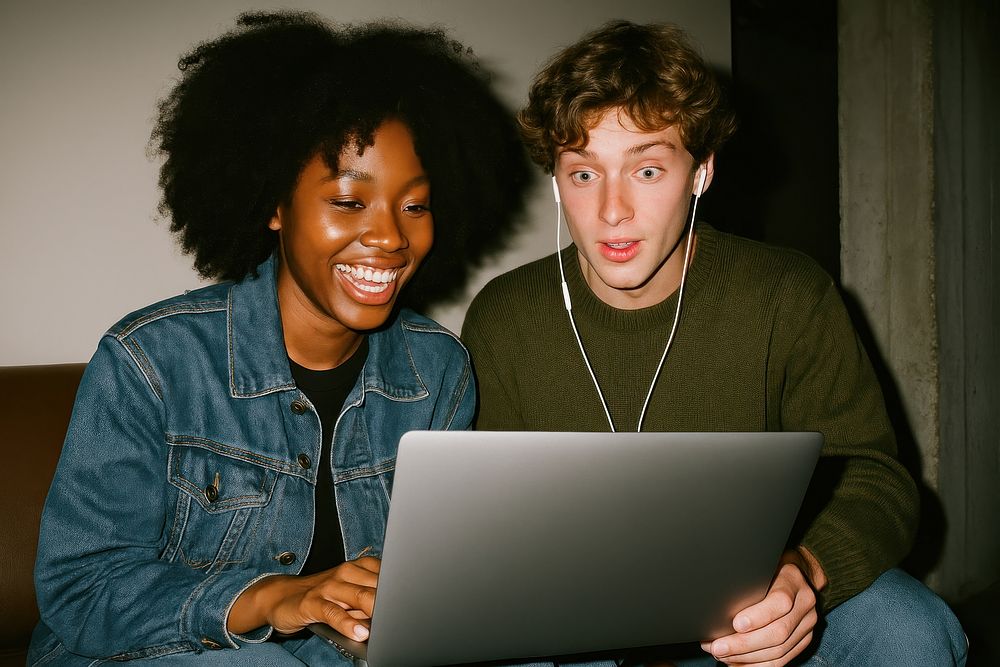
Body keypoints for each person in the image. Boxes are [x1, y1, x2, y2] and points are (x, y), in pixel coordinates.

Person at [29, 11, 530, 666]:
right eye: (349, 202)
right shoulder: (151, 359)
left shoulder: (439, 371)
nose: (390, 237)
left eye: (415, 204)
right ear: (273, 203)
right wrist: (271, 598)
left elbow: (433, 578)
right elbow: (81, 590)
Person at [461, 20, 967, 667]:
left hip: (750, 607)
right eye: (583, 174)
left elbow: (876, 477)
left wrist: (805, 569)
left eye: (646, 168)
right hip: (576, 620)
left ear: (700, 173)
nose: (612, 210)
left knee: (911, 626)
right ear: (557, 181)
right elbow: (490, 525)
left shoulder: (788, 293)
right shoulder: (505, 317)